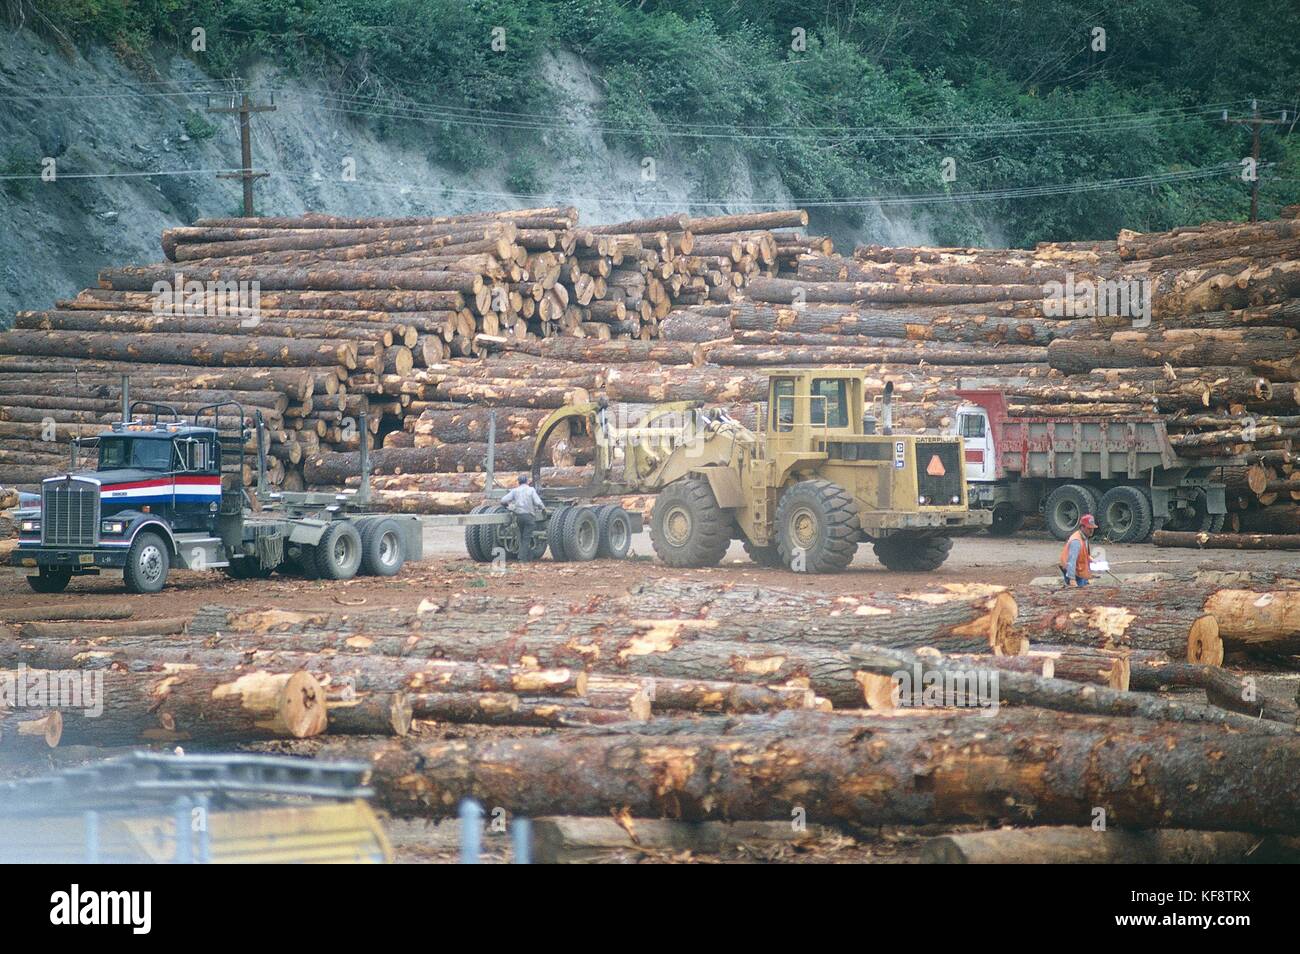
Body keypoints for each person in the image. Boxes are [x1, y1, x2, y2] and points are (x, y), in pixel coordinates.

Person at [499, 473, 545, 562]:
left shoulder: (515, 491)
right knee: (526, 538)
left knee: (521, 537)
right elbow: (538, 502)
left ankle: (527, 555)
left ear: (518, 482)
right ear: (527, 482)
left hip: (519, 517)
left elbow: (503, 500)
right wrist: (543, 509)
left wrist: (508, 505)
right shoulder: (531, 490)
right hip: (529, 517)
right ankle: (522, 558)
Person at [1059, 513, 1097, 587]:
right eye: (1089, 528)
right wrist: (1072, 579)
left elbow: (1083, 553)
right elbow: (1071, 562)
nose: (1091, 531)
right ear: (1082, 527)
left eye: (1092, 528)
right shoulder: (1076, 541)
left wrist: (1090, 559)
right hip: (1073, 572)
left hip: (1079, 571)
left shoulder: (1084, 537)